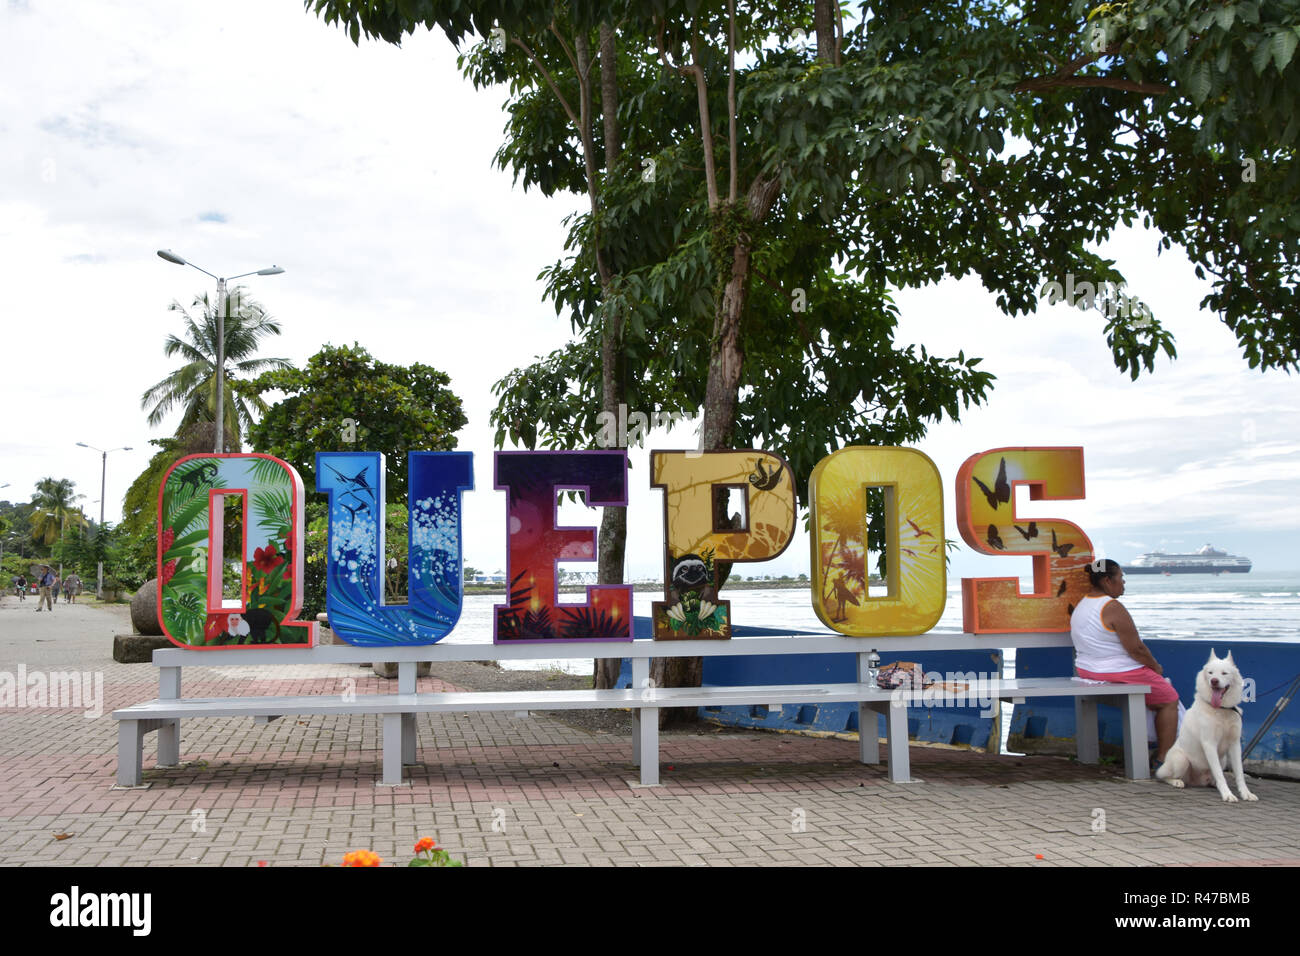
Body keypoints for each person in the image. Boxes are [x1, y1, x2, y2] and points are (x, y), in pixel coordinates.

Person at [1070, 557, 1180, 765]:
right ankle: (1164, 759)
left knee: (1154, 694)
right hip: (1117, 671)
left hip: (1086, 670)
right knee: (1169, 699)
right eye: (1121, 578)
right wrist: (1155, 667)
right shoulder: (1112, 607)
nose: (1124, 583)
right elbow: (1136, 649)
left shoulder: (1082, 605)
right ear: (1107, 581)